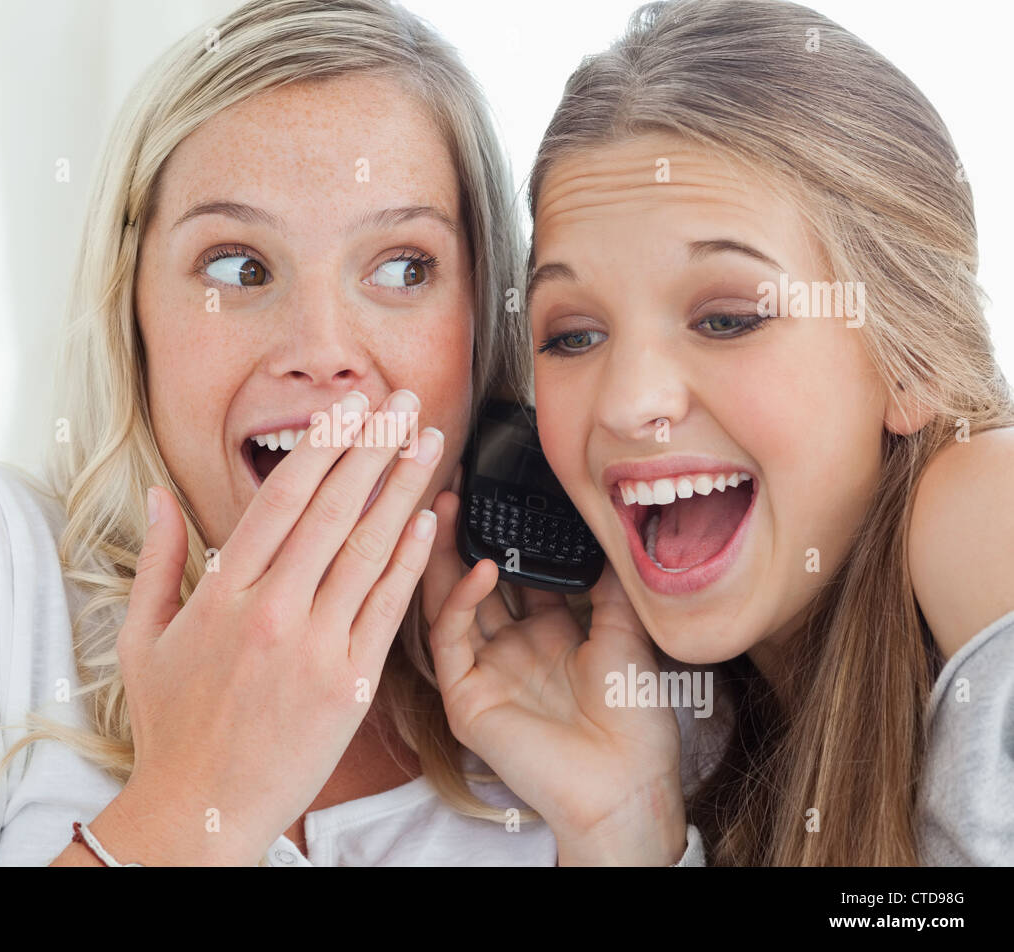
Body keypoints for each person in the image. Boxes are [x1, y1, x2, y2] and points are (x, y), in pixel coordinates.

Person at [0, 0, 579, 867]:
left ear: (486, 322)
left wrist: (630, 835)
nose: (320, 352)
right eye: (238, 268)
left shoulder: (585, 686)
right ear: (133, 312)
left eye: (402, 268)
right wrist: (198, 799)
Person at [423, 0, 1014, 865]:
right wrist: (623, 829)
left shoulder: (981, 506)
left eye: (728, 318)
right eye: (573, 336)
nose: (628, 403)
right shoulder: (701, 719)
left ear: (912, 358)